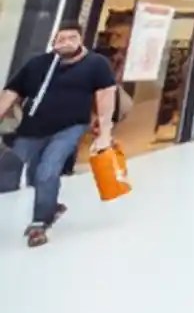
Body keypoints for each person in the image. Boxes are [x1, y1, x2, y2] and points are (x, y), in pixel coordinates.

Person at [0, 22, 117, 247]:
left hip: (69, 127)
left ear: (81, 40)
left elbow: (105, 97)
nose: (65, 43)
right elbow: (11, 93)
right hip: (32, 129)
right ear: (53, 41)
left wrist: (104, 133)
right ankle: (50, 204)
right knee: (12, 165)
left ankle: (39, 224)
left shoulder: (95, 64)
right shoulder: (38, 64)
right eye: (60, 39)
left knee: (47, 170)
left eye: (71, 38)